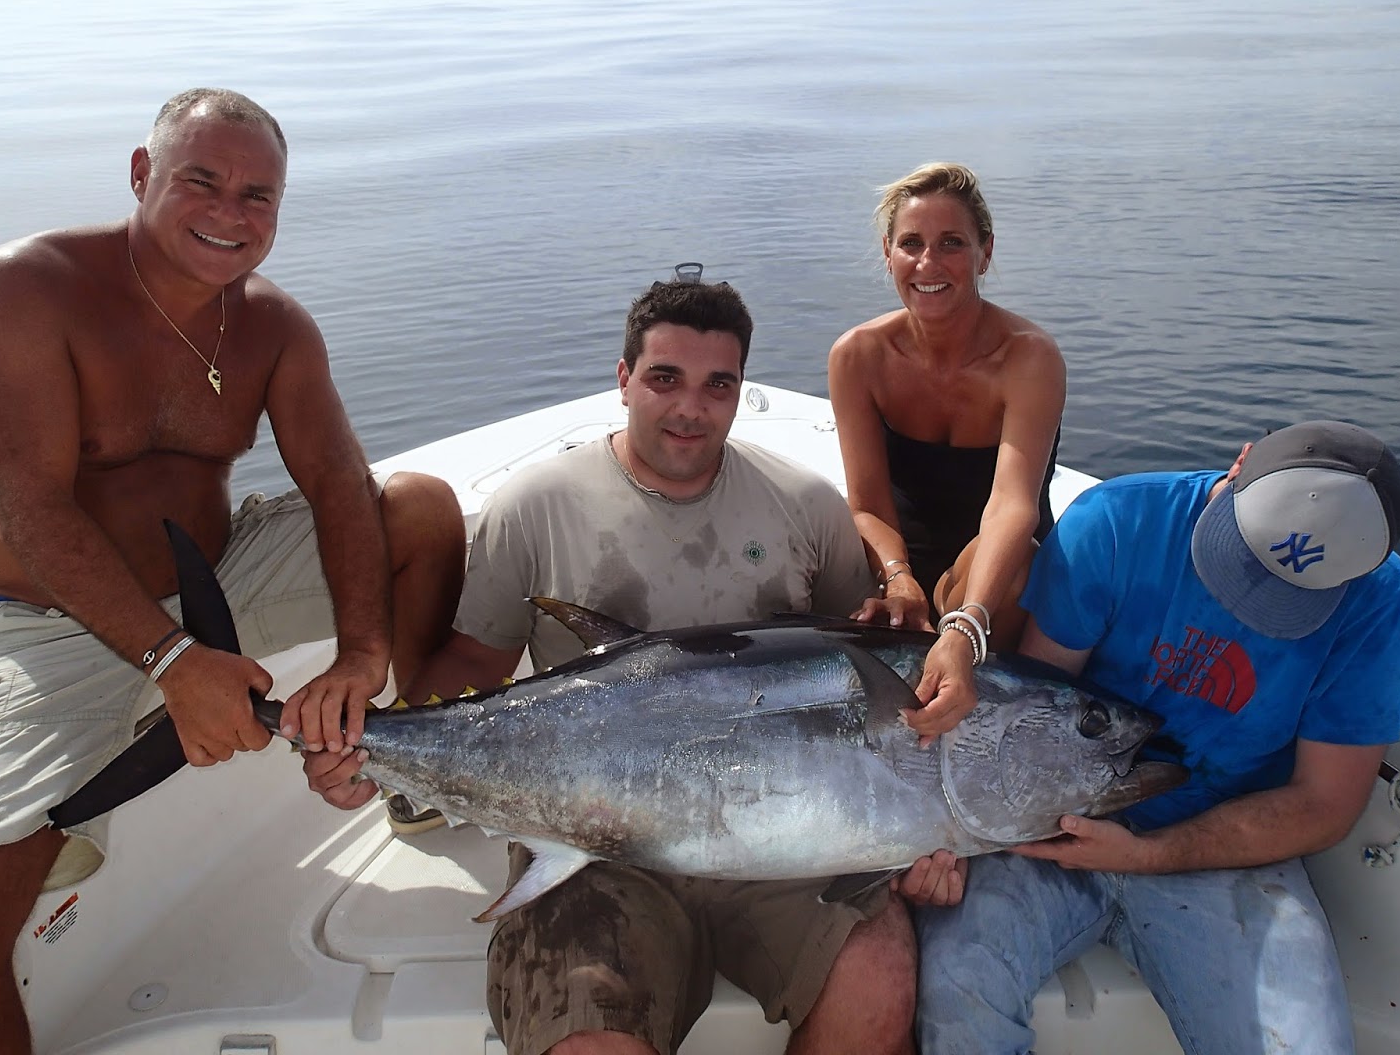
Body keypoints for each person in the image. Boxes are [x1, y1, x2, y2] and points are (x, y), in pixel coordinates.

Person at [0, 88, 467, 1055]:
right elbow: (27, 507)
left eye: (260, 196)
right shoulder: (23, 287)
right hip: (48, 627)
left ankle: (409, 767)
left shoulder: (274, 326)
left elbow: (337, 481)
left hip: (216, 573)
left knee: (418, 507)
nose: (231, 213)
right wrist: (171, 660)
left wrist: (362, 659)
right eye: (201, 181)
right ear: (140, 175)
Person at [308, 277, 952, 1055]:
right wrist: (374, 750)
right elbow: (477, 657)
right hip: (593, 841)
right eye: (664, 379)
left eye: (719, 385)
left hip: (792, 836)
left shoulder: (803, 504)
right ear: (622, 380)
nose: (691, 408)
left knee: (878, 978)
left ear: (741, 393)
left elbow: (861, 674)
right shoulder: (537, 504)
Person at [914, 420, 1400, 1055]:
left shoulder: (1381, 603)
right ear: (1241, 464)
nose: (1247, 601)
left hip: (1226, 846)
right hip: (1051, 825)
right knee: (956, 991)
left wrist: (1148, 854)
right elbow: (1036, 711)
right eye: (1239, 556)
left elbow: (1326, 802)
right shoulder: (1121, 521)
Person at [829, 162, 1065, 728]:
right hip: (904, 572)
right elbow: (865, 504)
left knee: (1015, 563)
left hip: (1003, 576)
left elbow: (1013, 505)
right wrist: (897, 576)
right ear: (888, 254)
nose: (928, 264)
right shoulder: (858, 356)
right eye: (911, 243)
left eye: (951, 243)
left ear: (985, 252)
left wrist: (965, 625)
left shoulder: (1029, 358)